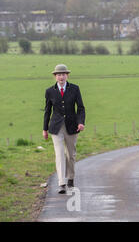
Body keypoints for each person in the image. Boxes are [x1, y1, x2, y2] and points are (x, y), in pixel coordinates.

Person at [43, 64, 85, 194]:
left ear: (67, 75)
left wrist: (80, 122)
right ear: (55, 77)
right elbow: (47, 110)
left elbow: (81, 108)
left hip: (72, 126)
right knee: (59, 154)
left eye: (63, 74)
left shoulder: (75, 89)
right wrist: (44, 129)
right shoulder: (49, 91)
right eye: (59, 75)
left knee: (70, 154)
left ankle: (71, 178)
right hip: (56, 127)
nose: (61, 77)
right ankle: (61, 183)